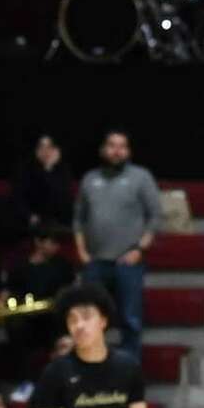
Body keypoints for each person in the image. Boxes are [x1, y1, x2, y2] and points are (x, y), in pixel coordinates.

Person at [73, 130, 160, 364]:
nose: (117, 151)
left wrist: (140, 250)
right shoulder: (89, 179)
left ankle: (128, 371)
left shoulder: (141, 177)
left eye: (122, 146)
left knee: (130, 320)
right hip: (95, 262)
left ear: (128, 151)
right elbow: (78, 219)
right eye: (112, 146)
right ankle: (91, 367)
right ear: (103, 150)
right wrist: (82, 252)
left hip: (128, 261)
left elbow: (154, 217)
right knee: (89, 319)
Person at [14, 134, 76, 239]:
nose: (46, 151)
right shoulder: (25, 170)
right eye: (41, 147)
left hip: (59, 222)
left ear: (56, 150)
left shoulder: (64, 171)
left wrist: (49, 168)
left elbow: (63, 201)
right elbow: (18, 200)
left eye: (50, 147)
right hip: (33, 222)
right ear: (36, 151)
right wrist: (30, 217)